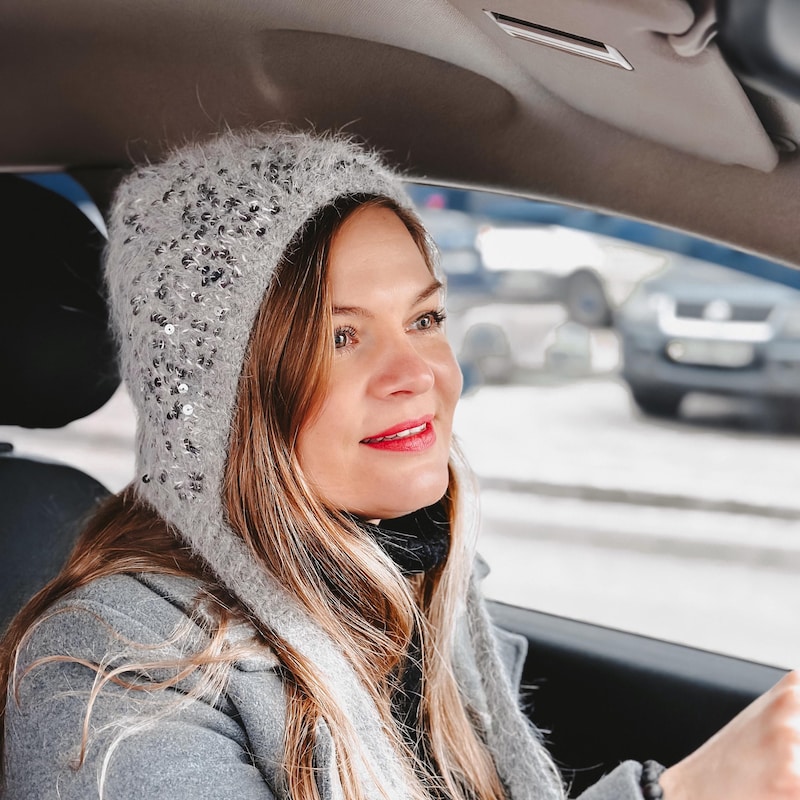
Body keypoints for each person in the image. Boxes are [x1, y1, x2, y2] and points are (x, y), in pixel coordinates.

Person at [0, 129, 797, 800]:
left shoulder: (406, 576)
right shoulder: (108, 678)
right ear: (220, 396)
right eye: (339, 336)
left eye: (424, 317)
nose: (416, 373)